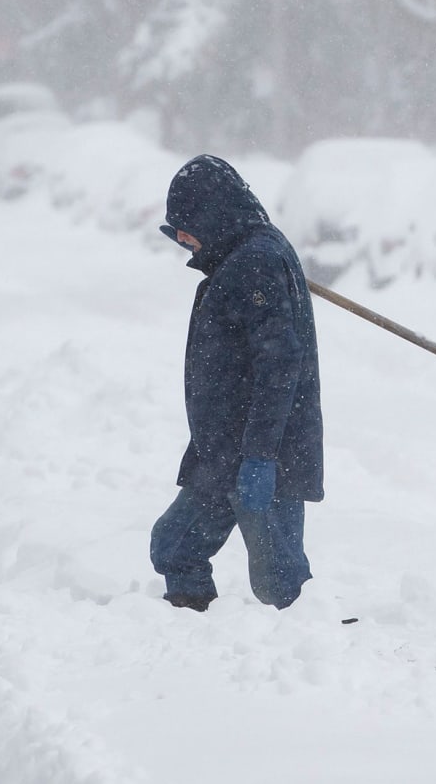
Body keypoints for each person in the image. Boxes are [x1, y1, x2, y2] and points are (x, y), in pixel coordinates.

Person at [149, 154, 324, 612]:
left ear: (213, 215)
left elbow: (279, 364)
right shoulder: (244, 255)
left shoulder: (256, 262)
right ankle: (192, 636)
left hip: (260, 452)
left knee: (280, 584)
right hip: (223, 450)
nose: (181, 238)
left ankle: (318, 659)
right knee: (175, 547)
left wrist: (261, 456)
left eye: (185, 226)